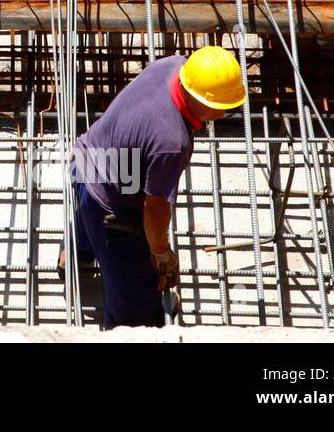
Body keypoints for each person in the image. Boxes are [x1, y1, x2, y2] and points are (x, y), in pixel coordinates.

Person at [69, 46, 246, 327]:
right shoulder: (170, 142)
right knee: (135, 303)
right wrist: (161, 254)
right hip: (110, 206)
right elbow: (154, 210)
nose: (224, 114)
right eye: (220, 108)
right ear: (197, 96)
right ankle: (127, 319)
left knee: (85, 223)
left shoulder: (174, 65)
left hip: (83, 162)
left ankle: (73, 256)